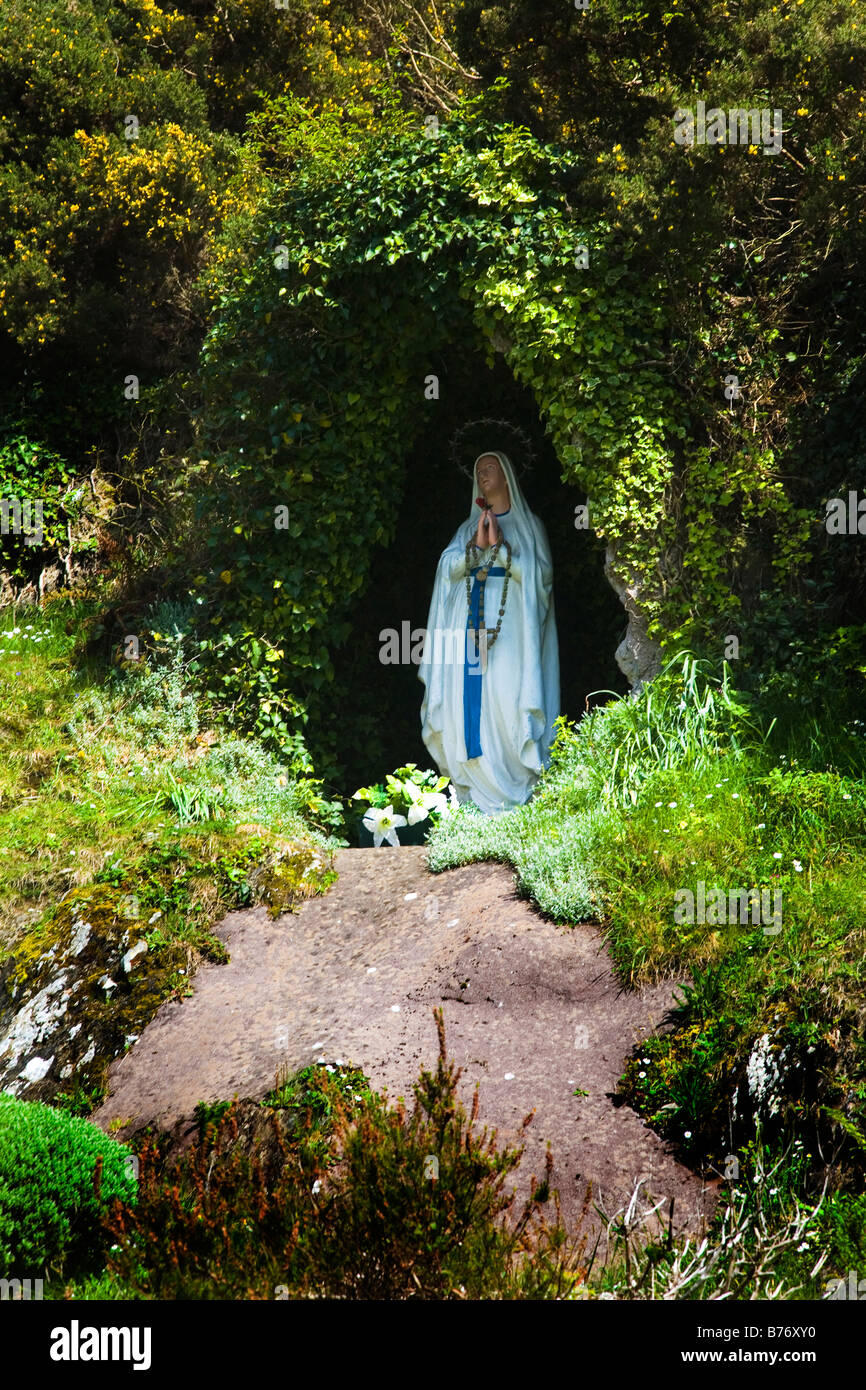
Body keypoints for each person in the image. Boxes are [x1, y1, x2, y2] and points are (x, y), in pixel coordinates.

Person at [419, 450, 560, 813]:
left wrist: (499, 550)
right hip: (468, 629)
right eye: (479, 470)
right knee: (469, 705)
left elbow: (540, 580)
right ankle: (477, 795)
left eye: (490, 468)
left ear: (507, 476)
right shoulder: (467, 529)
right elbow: (445, 568)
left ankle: (515, 790)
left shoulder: (530, 527)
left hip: (510, 631)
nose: (483, 474)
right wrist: (475, 548)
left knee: (506, 698)